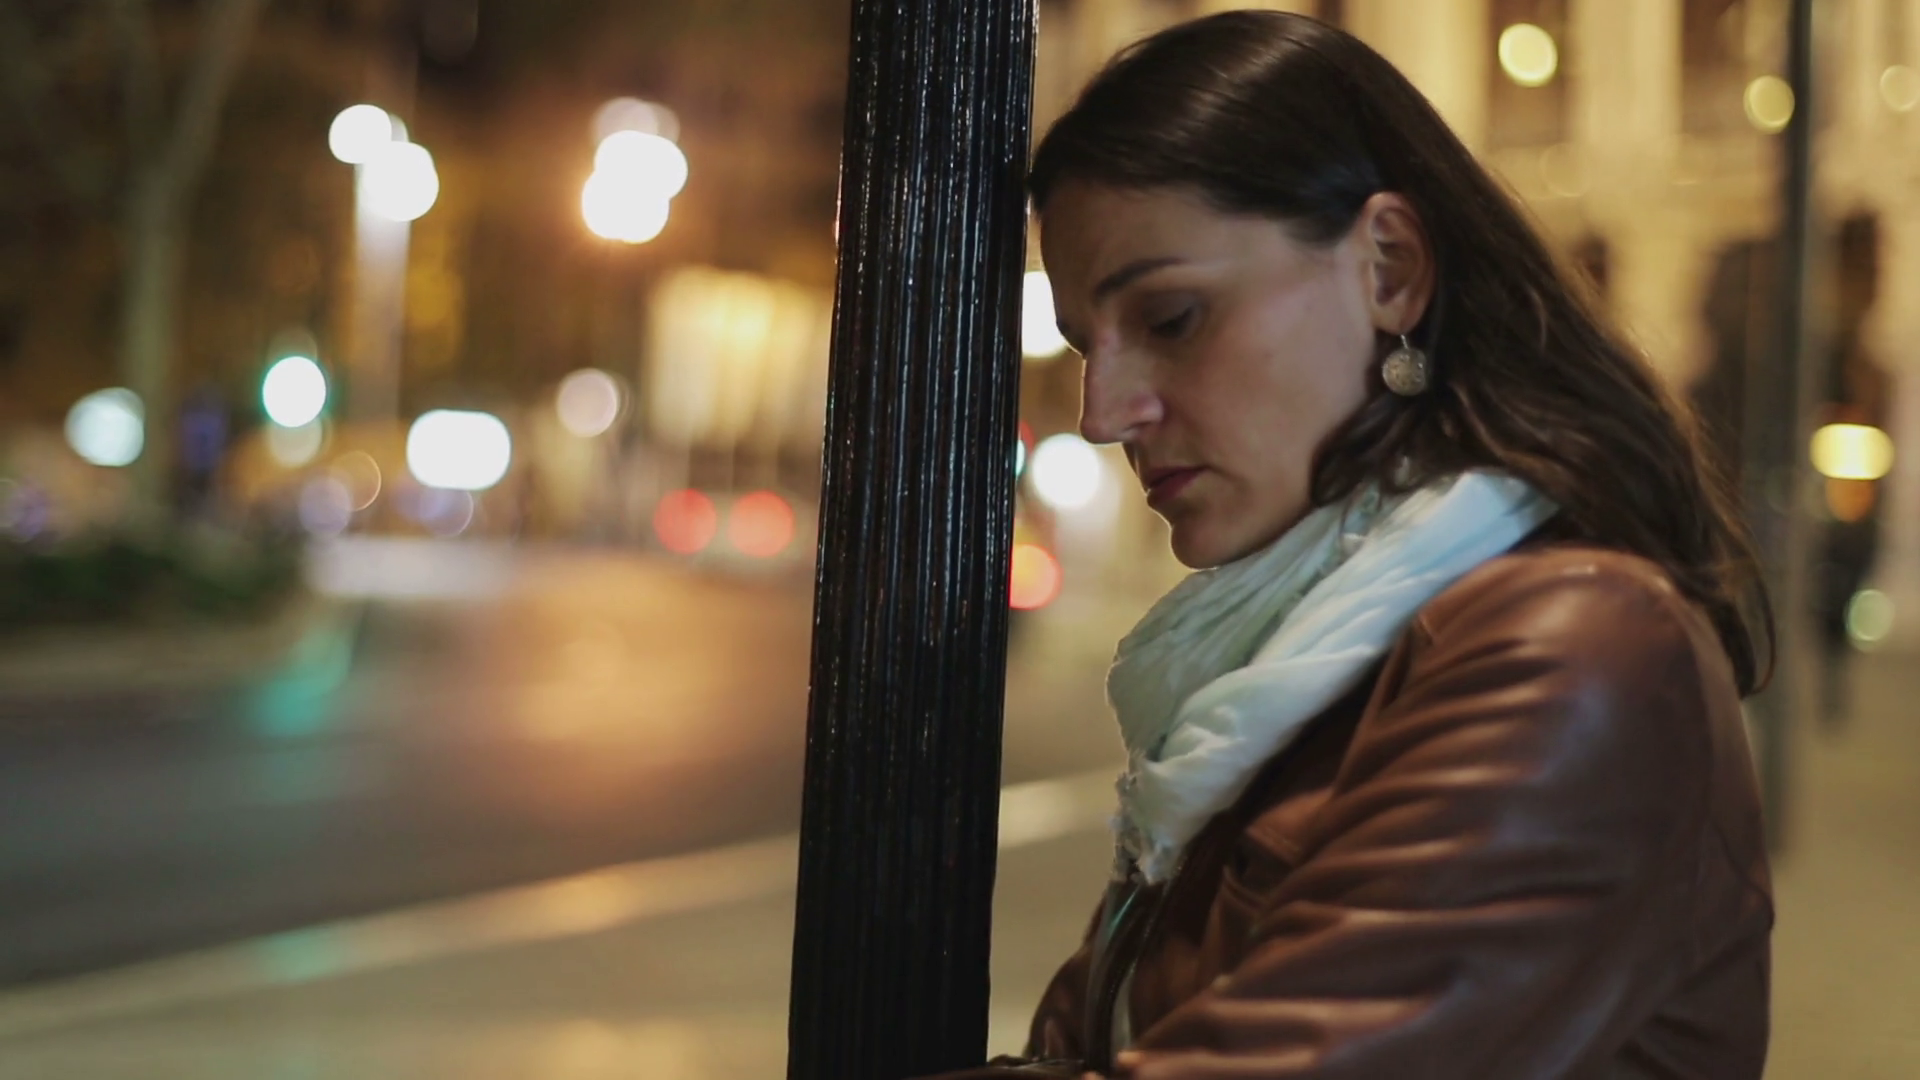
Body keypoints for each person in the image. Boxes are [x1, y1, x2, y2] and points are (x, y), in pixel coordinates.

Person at [930, 11, 1773, 1080]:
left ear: (1389, 267)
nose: (1104, 412)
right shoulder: (1281, 665)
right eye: (1085, 346)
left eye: (1172, 318)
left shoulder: (1571, 651)